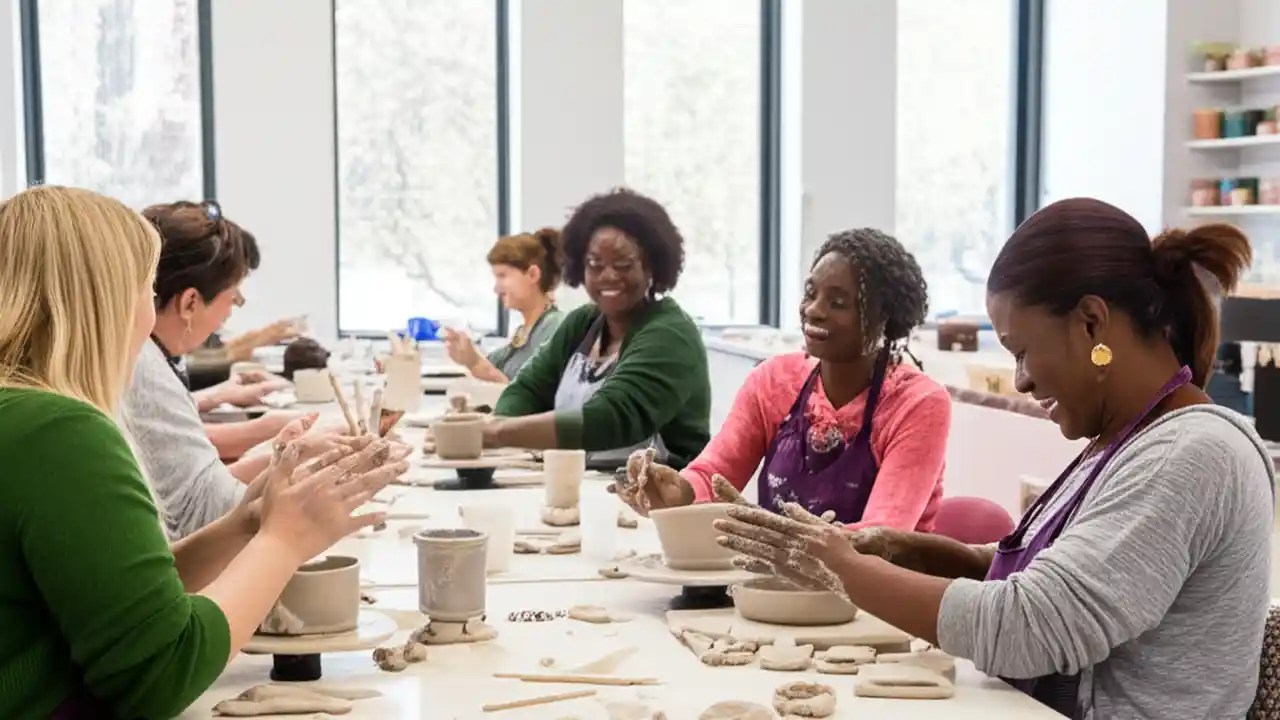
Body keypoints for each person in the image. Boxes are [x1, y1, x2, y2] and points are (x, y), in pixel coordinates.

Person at [715, 198, 1272, 719]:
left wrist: (841, 568)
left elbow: (1030, 627)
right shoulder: (1132, 437)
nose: (1022, 380)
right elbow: (1050, 578)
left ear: (1093, 324)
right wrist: (914, 552)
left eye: (1023, 351)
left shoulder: (1193, 454)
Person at [0, 186, 405, 718]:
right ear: (105, 301)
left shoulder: (20, 414)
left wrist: (248, 522)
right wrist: (286, 541)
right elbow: (160, 675)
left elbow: (119, 602)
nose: (150, 315)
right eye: (147, 290)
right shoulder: (60, 431)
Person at [611, 229, 950, 529]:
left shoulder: (917, 404)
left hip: (876, 596)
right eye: (810, 293)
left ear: (885, 321)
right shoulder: (774, 381)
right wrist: (676, 490)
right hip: (777, 583)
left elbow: (881, 535)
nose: (813, 309)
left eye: (838, 302)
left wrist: (771, 535)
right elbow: (714, 473)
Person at [122, 200, 314, 538]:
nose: (228, 315)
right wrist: (293, 449)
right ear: (190, 302)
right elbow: (207, 513)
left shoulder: (148, 354)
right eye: (232, 299)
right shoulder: (141, 363)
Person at [487, 188, 711, 470]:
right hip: (580, 484)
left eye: (623, 265)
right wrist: (499, 424)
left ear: (651, 266)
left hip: (654, 502)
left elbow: (610, 417)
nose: (608, 276)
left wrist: (495, 434)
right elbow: (528, 389)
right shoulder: (582, 324)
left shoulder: (670, 334)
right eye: (595, 265)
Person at [442, 228, 566, 382]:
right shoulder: (523, 336)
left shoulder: (557, 328)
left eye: (502, 276)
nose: (496, 289)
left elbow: (531, 400)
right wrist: (469, 358)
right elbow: (491, 368)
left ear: (533, 275)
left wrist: (475, 363)